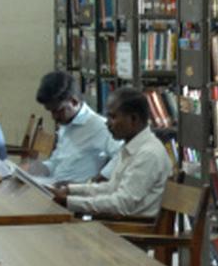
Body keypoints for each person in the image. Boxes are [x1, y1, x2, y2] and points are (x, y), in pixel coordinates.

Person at [50, 86, 172, 217]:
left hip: (132, 229)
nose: (107, 123)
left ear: (133, 119)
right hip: (118, 223)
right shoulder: (131, 147)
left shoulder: (148, 154)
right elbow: (111, 188)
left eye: (113, 117)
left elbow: (122, 204)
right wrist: (71, 190)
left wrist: (70, 202)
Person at [31, 70, 120, 183]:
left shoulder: (100, 127)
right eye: (50, 111)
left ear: (74, 101)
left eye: (58, 111)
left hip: (76, 194)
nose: (54, 117)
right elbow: (56, 162)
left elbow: (122, 154)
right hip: (55, 186)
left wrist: (98, 180)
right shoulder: (66, 126)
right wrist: (38, 168)